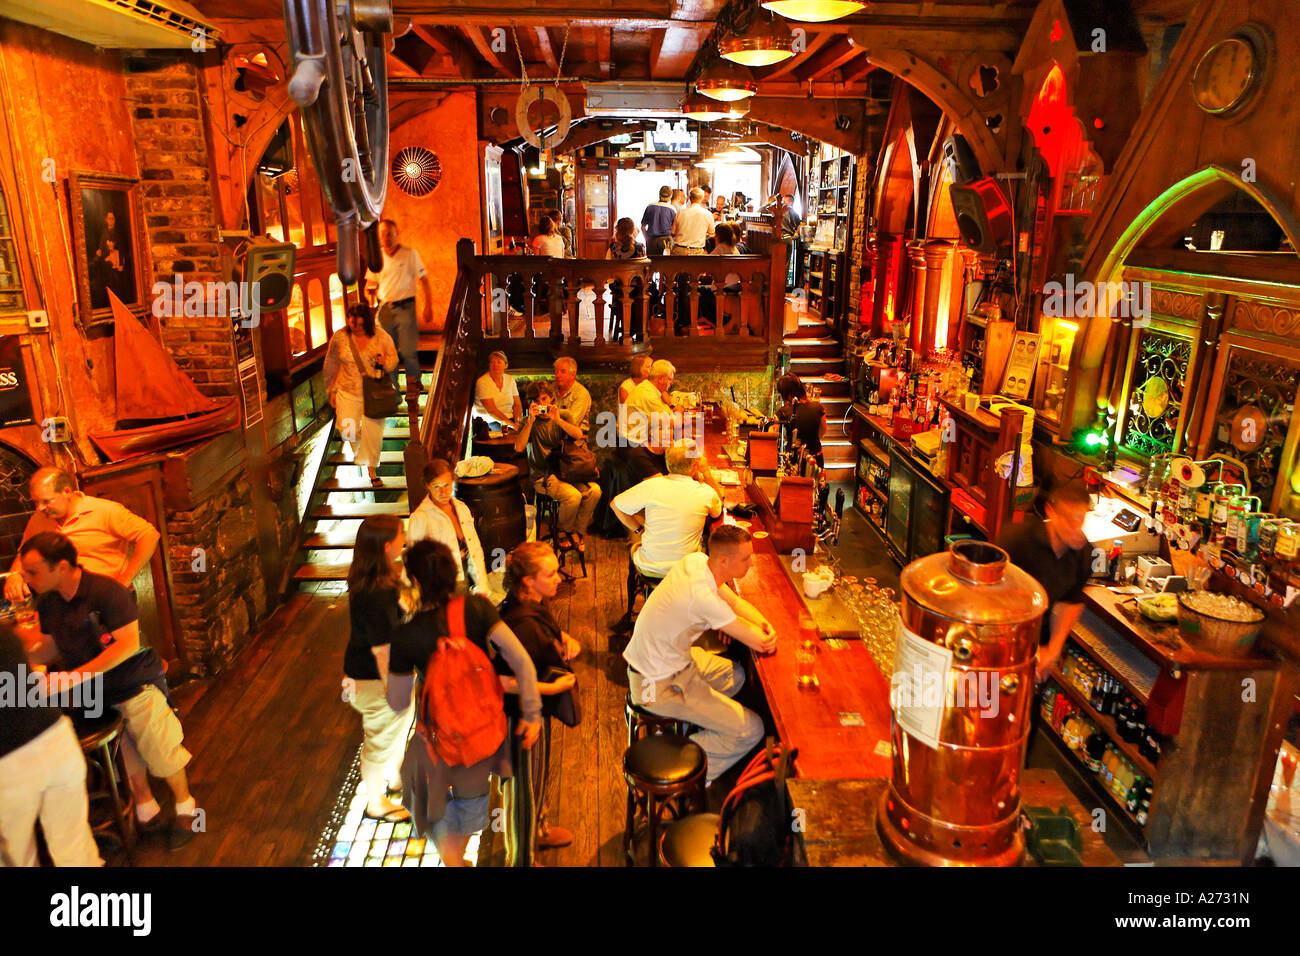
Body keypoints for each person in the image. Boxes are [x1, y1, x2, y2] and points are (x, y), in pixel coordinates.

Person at [18, 532, 199, 851]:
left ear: (61, 567)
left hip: (134, 681)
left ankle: (187, 807)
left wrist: (71, 678)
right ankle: (147, 811)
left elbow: (127, 646)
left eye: (32, 572)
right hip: (98, 691)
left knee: (160, 749)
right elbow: (50, 646)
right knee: (124, 753)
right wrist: (15, 658)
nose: (27, 579)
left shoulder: (106, 592)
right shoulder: (48, 602)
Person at [386, 539, 542, 867]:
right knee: (471, 801)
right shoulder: (476, 608)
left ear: (413, 581)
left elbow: (398, 703)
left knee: (430, 802)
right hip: (481, 734)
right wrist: (532, 714)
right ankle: (458, 858)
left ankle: (454, 862)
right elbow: (521, 661)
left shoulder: (405, 635)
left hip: (436, 739)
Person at [623, 524, 776, 784]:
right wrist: (765, 635)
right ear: (724, 561)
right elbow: (761, 643)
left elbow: (736, 605)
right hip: (656, 685)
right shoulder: (703, 597)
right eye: (746, 558)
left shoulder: (697, 562)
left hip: (669, 662)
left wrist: (765, 624)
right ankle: (688, 762)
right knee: (753, 728)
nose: (750, 564)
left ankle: (699, 723)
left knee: (736, 675)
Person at [497, 542, 582, 864]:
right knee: (521, 791)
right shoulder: (520, 624)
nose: (558, 578)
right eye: (550, 574)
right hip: (518, 718)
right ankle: (521, 858)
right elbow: (502, 681)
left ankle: (540, 830)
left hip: (534, 712)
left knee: (537, 778)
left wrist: (564, 638)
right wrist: (554, 687)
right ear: (528, 581)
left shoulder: (532, 604)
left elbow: (547, 634)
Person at [0, 621, 103, 867]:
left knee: (16, 859)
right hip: (56, 740)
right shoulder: (3, 631)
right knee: (74, 848)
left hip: (9, 763)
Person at [344, 516, 414, 822]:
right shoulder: (377, 592)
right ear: (387, 546)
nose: (405, 540)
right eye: (401, 535)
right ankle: (375, 802)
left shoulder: (378, 577)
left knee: (396, 729)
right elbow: (381, 649)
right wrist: (394, 689)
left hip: (367, 674)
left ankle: (395, 777)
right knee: (379, 740)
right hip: (375, 679)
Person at [5, 467, 160, 605]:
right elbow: (25, 552)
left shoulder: (105, 511)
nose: (40, 508)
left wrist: (125, 579)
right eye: (36, 502)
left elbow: (149, 535)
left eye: (46, 501)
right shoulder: (39, 518)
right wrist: (14, 575)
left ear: (67, 492)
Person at [995, 479, 1095, 682]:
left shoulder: (1085, 554)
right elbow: (987, 592)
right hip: (997, 633)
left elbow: (1070, 602)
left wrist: (1052, 650)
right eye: (1069, 519)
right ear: (1051, 512)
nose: (1076, 527)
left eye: (1081, 518)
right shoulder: (1017, 539)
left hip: (1036, 638)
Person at [611, 443, 725, 579]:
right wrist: (706, 473)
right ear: (695, 466)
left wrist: (639, 530)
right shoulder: (705, 492)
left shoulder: (652, 485)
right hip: (685, 570)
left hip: (650, 566)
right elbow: (717, 511)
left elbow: (616, 505)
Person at [514, 380, 601, 550]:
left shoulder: (563, 415)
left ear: (552, 398)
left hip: (567, 470)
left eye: (544, 399)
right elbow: (518, 447)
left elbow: (577, 435)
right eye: (536, 401)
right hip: (543, 475)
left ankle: (576, 531)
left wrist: (558, 420)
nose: (541, 404)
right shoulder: (528, 421)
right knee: (573, 497)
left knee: (595, 492)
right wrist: (530, 421)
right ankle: (561, 530)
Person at [324, 302, 399, 488]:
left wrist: (384, 361)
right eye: (352, 324)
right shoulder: (340, 338)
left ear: (367, 322)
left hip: (373, 392)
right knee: (347, 430)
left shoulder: (381, 336)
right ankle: (360, 453)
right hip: (347, 390)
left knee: (373, 434)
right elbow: (331, 363)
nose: (355, 328)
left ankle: (372, 470)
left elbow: (393, 359)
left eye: (359, 324)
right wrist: (331, 389)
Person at [364, 218, 431, 395]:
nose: (386, 238)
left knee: (408, 350)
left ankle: (414, 383)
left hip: (405, 306)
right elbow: (369, 284)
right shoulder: (377, 258)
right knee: (386, 352)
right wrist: (369, 294)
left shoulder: (409, 254)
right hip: (385, 307)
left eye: (389, 234)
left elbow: (424, 280)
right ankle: (392, 390)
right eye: (382, 234)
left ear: (397, 233)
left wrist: (428, 305)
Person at [406, 459, 489, 597]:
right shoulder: (420, 517)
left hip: (469, 577)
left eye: (447, 485)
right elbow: (414, 560)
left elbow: (475, 547)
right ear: (427, 486)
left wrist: (483, 585)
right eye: (436, 487)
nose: (443, 492)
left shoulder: (461, 508)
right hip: (443, 586)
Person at [624, 358, 678, 454]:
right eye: (669, 379)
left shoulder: (648, 388)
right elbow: (673, 421)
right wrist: (679, 411)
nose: (671, 383)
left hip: (635, 440)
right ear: (661, 379)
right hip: (633, 445)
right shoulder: (648, 394)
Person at [776, 373, 827, 468]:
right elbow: (823, 430)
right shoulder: (818, 407)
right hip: (815, 458)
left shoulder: (784, 412)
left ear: (787, 394)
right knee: (816, 482)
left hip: (794, 460)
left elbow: (773, 433)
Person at [472, 350, 521, 431]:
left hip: (509, 419)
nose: (495, 365)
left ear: (506, 365)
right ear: (489, 365)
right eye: (492, 362)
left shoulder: (510, 379)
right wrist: (512, 425)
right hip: (488, 422)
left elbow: (517, 405)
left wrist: (518, 422)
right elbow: (491, 410)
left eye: (499, 362)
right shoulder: (482, 382)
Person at [670, 187, 715, 255]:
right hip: (697, 252)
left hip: (678, 252)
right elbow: (712, 233)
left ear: (690, 198)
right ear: (702, 198)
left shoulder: (680, 213)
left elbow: (673, 233)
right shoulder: (708, 214)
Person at [640, 186, 677, 257]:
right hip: (666, 241)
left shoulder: (650, 207)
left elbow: (643, 227)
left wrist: (646, 238)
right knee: (666, 264)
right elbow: (674, 229)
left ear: (659, 194)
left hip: (651, 240)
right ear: (670, 196)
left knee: (651, 263)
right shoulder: (672, 209)